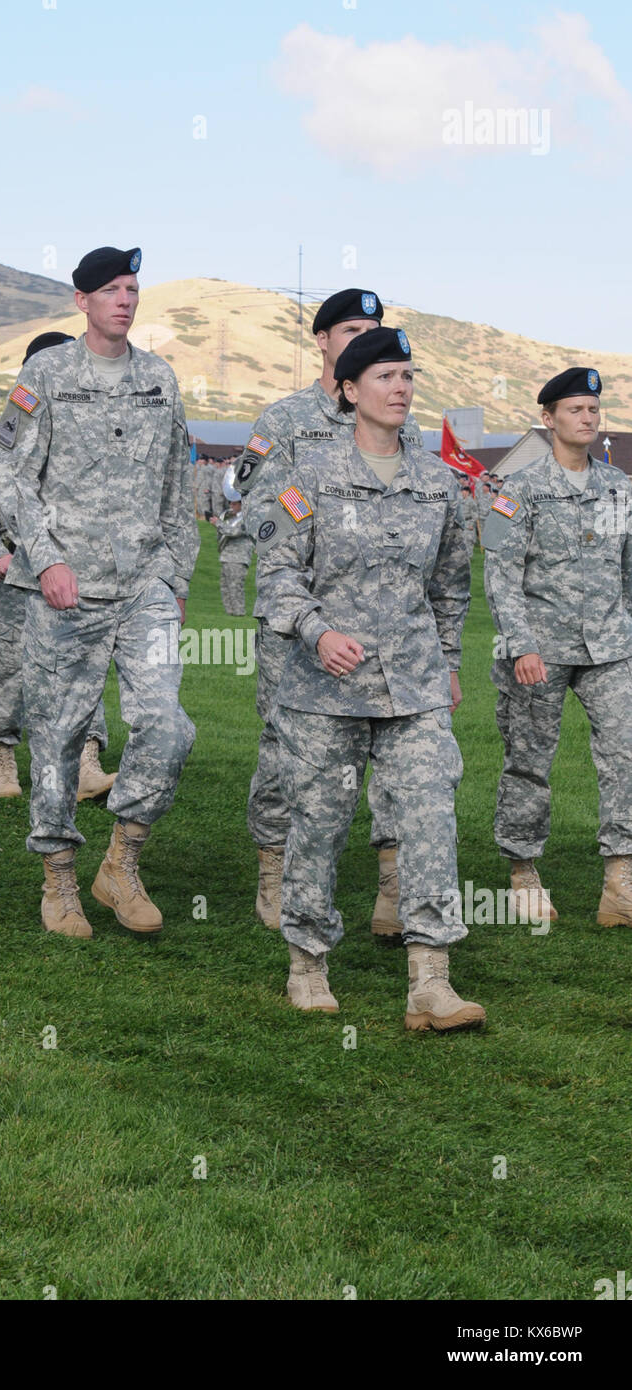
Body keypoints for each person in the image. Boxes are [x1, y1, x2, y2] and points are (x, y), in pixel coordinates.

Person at [256, 327, 484, 1030]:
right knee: (318, 825)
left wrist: (446, 663)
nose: (400, 388)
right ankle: (307, 960)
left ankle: (430, 979)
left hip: (412, 685)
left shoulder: (437, 481)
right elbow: (277, 575)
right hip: (323, 689)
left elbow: (449, 587)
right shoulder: (310, 473)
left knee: (427, 816)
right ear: (350, 390)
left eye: (407, 376)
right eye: (384, 376)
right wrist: (316, 631)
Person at [0, 245, 198, 938]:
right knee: (56, 735)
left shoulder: (160, 380)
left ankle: (120, 860)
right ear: (81, 301)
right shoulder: (46, 373)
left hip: (143, 583)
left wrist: (175, 575)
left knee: (168, 727)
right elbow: (13, 476)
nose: (124, 299)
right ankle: (57, 879)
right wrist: (45, 559)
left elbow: (178, 487)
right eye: (111, 289)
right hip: (66, 589)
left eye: (132, 288)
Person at [235, 289, 421, 939]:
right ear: (321, 340)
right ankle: (275, 866)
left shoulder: (405, 423)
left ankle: (393, 886)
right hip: (299, 616)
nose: (362, 336)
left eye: (372, 328)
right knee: (286, 745)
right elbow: (257, 510)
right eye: (349, 328)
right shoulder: (285, 419)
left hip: (382, 621)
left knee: (396, 747)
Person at [483, 367, 632, 926]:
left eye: (593, 410)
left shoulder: (619, 488)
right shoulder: (517, 492)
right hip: (537, 650)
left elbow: (628, 569)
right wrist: (520, 644)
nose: (588, 418)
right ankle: (523, 870)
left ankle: (621, 878)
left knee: (626, 754)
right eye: (575, 410)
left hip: (611, 648)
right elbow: (501, 573)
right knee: (529, 761)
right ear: (548, 420)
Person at [0, 331, 116, 802]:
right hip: (16, 572)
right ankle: (2, 758)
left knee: (82, 664)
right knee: (10, 663)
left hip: (74, 569)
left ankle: (86, 761)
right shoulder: (9, 426)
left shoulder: (86, 426)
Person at [214, 467, 253, 615]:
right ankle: (230, 613)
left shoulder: (245, 518)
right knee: (225, 586)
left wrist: (218, 523)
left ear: (241, 504)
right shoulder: (231, 517)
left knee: (236, 586)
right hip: (226, 556)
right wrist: (222, 521)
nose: (231, 506)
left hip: (238, 557)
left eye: (234, 504)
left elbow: (234, 532)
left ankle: (239, 613)